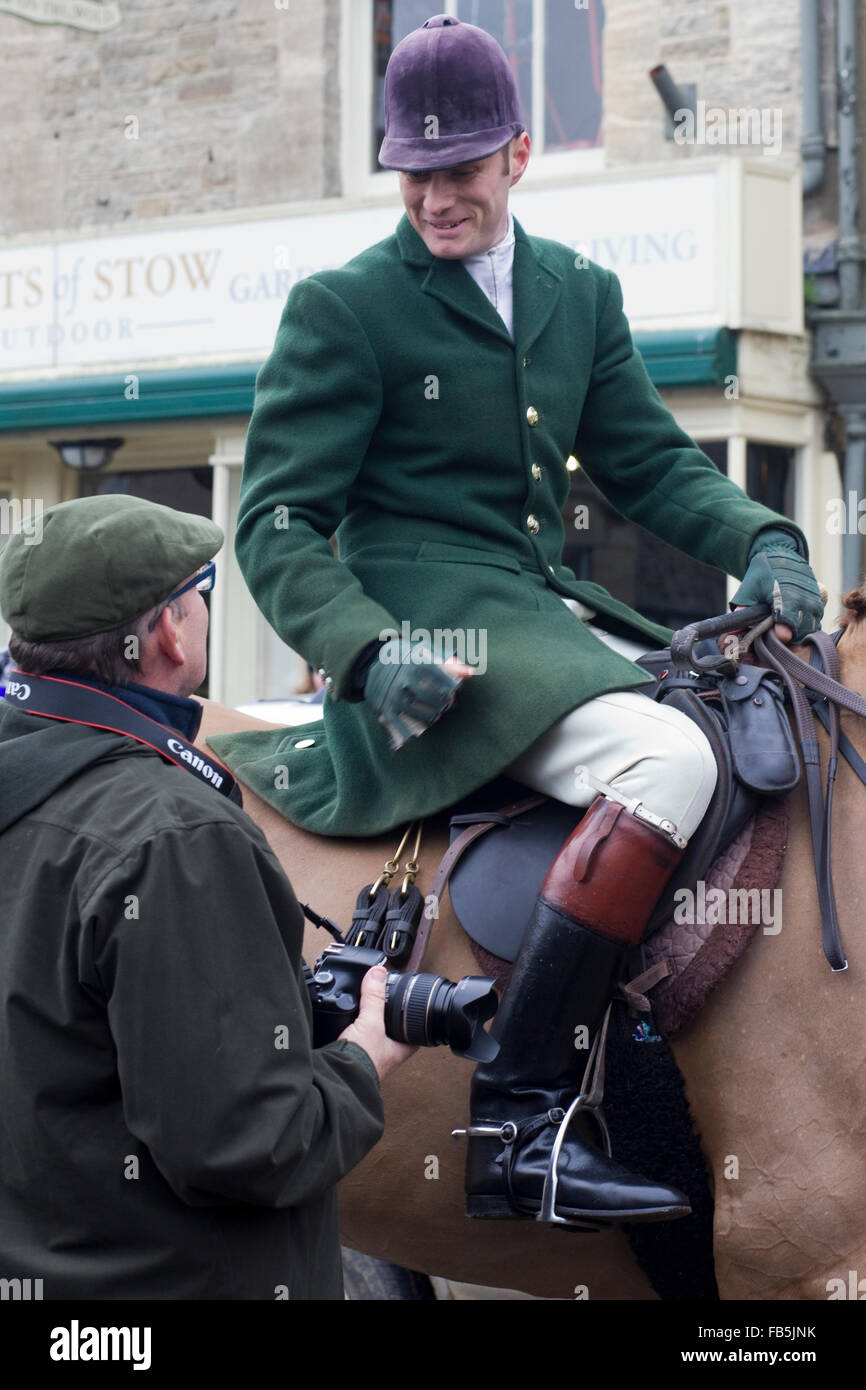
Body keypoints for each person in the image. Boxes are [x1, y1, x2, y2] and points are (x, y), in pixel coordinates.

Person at [216, 15, 824, 1227]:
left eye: (461, 168)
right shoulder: (346, 307)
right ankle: (518, 1111)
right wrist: (364, 646)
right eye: (415, 171)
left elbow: (650, 467)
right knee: (669, 756)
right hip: (432, 643)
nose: (435, 196)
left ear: (520, 154)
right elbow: (276, 521)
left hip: (546, 616)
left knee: (751, 722)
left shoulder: (574, 293)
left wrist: (761, 537)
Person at [0, 493, 411, 1300]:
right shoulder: (176, 836)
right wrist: (367, 1055)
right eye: (203, 594)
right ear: (168, 630)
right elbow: (248, 1146)